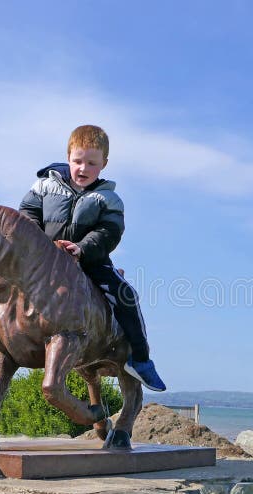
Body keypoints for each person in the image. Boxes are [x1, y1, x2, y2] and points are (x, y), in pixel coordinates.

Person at [19, 124, 166, 391]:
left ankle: (141, 360)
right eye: (78, 161)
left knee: (126, 296)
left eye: (91, 163)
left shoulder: (109, 198)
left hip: (90, 261)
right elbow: (27, 215)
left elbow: (109, 232)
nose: (83, 168)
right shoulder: (43, 186)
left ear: (104, 164)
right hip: (45, 261)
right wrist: (44, 244)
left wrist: (82, 248)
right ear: (68, 157)